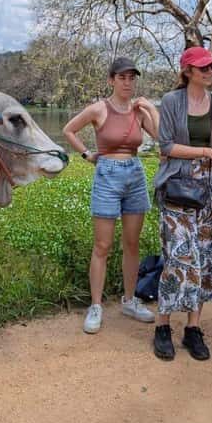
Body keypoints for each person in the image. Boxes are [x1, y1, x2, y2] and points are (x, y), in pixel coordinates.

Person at [151, 46, 212, 361]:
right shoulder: (172, 101)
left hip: (210, 187)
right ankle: (163, 326)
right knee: (177, 255)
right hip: (179, 184)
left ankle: (193, 328)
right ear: (187, 71)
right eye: (203, 68)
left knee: (204, 255)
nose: (210, 72)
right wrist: (206, 152)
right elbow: (166, 146)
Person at [63, 57, 160, 334]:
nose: (127, 83)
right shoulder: (99, 108)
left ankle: (129, 300)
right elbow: (69, 130)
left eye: (132, 78)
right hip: (107, 175)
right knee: (102, 245)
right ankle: (96, 306)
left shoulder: (138, 111)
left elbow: (163, 138)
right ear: (111, 80)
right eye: (122, 78)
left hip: (135, 175)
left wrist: (151, 109)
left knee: (132, 243)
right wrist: (87, 154)